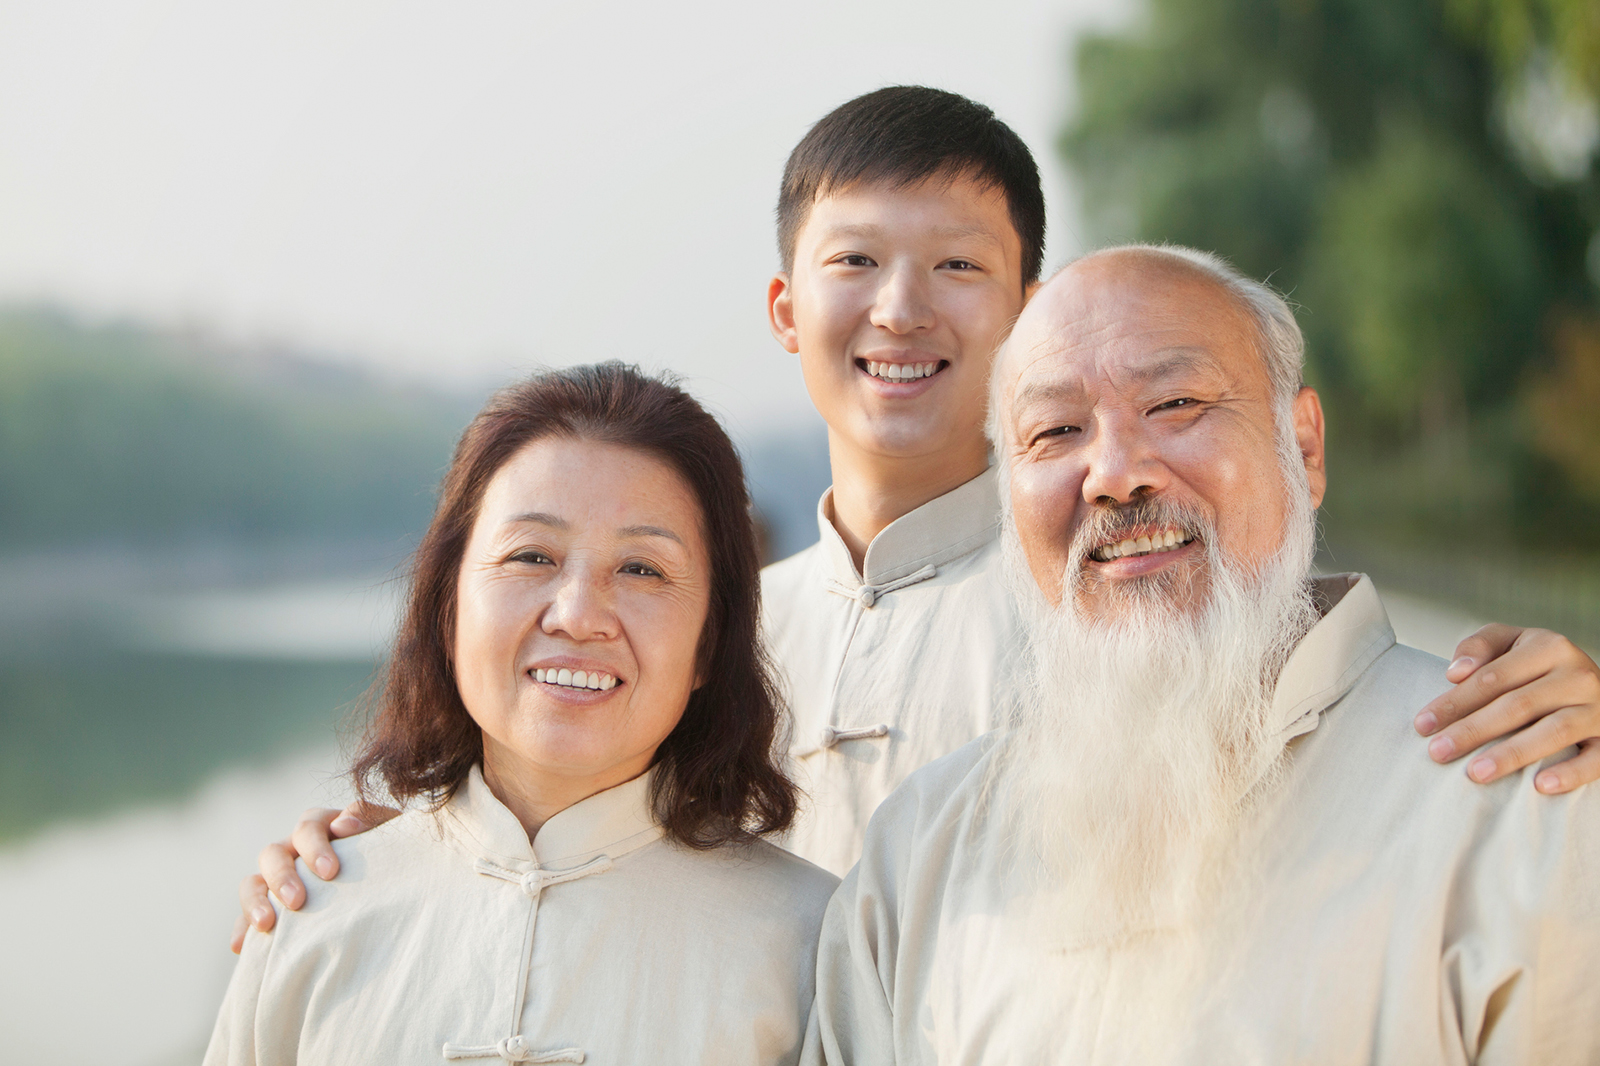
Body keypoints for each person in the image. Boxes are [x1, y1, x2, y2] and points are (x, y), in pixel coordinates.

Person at [235, 88, 1600, 923]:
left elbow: (1350, 721)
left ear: (1027, 314)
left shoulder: (1138, 593)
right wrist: (378, 851)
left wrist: (1559, 689)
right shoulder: (701, 630)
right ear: (786, 307)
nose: (900, 308)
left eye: (957, 263)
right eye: (854, 262)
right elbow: (548, 827)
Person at [805, 246, 1600, 1064]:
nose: (1114, 474)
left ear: (1306, 448)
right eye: (1054, 431)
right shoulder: (921, 859)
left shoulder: (1526, 799)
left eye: (1176, 402)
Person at [208, 364, 837, 1065]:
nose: (577, 616)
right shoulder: (310, 918)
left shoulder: (814, 949)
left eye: (641, 569)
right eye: (532, 555)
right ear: (446, 610)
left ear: (707, 647)